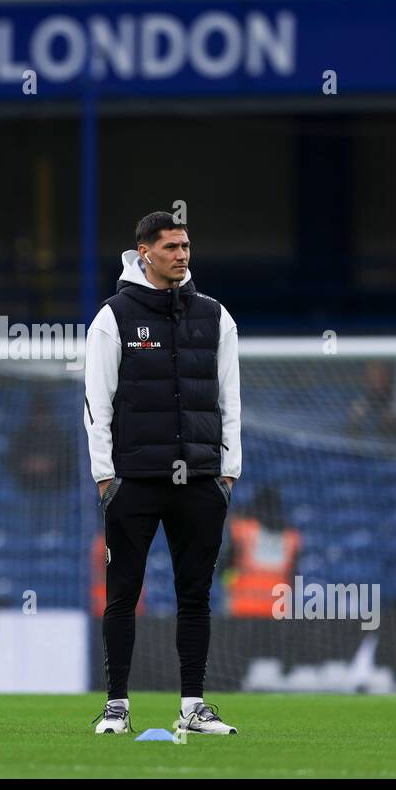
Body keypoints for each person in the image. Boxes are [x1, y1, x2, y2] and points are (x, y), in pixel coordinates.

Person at [82, 211, 241, 735]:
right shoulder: (113, 317)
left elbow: (230, 402)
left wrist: (228, 471)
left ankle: (193, 707)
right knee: (123, 593)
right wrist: (105, 476)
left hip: (200, 480)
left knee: (195, 595)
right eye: (172, 246)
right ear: (144, 251)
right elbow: (95, 404)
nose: (183, 254)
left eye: (187, 245)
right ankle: (116, 708)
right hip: (134, 480)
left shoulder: (217, 316)